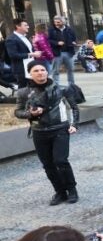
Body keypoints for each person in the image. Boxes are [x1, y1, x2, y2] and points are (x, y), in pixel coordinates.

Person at [14, 61, 81, 204]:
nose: (40, 73)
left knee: (61, 161)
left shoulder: (62, 89)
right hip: (39, 132)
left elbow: (74, 107)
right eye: (36, 70)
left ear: (47, 72)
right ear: (30, 74)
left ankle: (72, 190)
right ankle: (60, 192)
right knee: (48, 165)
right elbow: (18, 112)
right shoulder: (23, 92)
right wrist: (30, 114)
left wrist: (74, 124)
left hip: (60, 129)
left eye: (43, 69)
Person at [47, 16, 78, 86]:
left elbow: (74, 38)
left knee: (70, 69)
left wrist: (74, 42)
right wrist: (57, 43)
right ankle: (56, 85)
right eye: (55, 22)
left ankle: (71, 84)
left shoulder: (69, 29)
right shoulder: (51, 30)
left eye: (58, 22)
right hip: (57, 53)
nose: (56, 24)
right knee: (56, 70)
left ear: (63, 22)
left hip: (68, 52)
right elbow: (48, 40)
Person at [5, 17, 35, 87]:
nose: (28, 27)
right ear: (18, 26)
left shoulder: (25, 37)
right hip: (21, 68)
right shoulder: (11, 39)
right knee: (23, 88)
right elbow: (13, 55)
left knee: (33, 87)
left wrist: (35, 52)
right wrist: (30, 54)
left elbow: (29, 50)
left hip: (31, 66)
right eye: (25, 25)